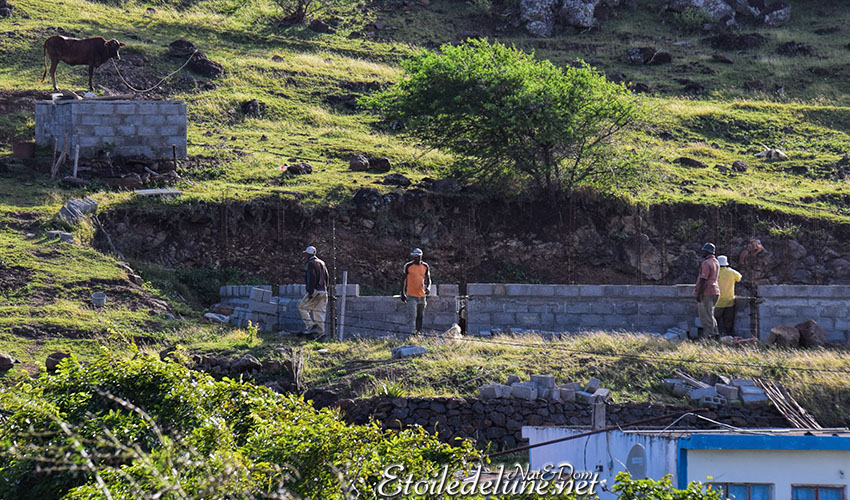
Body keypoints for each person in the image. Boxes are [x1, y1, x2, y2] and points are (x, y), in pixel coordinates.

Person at [298, 245, 329, 338]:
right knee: (319, 312)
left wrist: (310, 291)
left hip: (315, 290)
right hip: (324, 291)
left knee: (302, 308)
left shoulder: (310, 263)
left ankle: (311, 326)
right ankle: (321, 334)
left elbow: (311, 277)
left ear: (308, 254)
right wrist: (326, 288)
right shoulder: (322, 263)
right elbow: (327, 277)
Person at [400, 248, 431, 336]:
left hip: (422, 295)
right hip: (411, 295)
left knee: (420, 316)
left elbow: (428, 279)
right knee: (412, 315)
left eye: (417, 257)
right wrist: (402, 293)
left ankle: (418, 334)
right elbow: (403, 280)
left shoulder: (425, 266)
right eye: (414, 257)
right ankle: (410, 334)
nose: (416, 258)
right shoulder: (408, 266)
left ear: (421, 256)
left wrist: (428, 288)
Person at [694, 242, 720, 339]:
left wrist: (699, 293)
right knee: (710, 314)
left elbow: (703, 279)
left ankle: (709, 336)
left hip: (706, 292)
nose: (702, 253)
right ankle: (716, 334)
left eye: (704, 251)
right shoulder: (716, 262)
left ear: (707, 251)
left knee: (705, 316)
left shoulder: (706, 263)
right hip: (715, 291)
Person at [714, 255, 742, 336]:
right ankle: (729, 336)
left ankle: (715, 337)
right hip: (729, 301)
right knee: (728, 322)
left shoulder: (715, 272)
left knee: (715, 321)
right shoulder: (732, 272)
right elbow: (739, 278)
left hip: (717, 302)